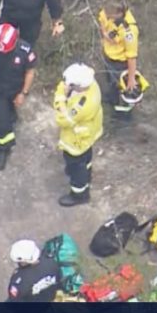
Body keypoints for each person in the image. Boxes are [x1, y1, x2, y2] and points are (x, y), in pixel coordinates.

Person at [0, 23, 37, 171]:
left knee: (9, 111)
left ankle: (10, 113)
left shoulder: (25, 50)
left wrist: (23, 93)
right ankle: (4, 148)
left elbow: (30, 72)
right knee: (2, 121)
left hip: (15, 88)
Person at [53, 63, 103, 207]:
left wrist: (60, 95)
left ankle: (79, 194)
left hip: (76, 141)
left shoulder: (82, 105)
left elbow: (63, 119)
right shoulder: (93, 85)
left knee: (76, 165)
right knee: (86, 159)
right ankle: (86, 174)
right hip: (88, 134)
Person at [98, 0, 140, 121]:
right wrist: (105, 35)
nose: (107, 16)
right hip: (108, 57)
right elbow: (102, 21)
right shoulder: (106, 11)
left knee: (121, 89)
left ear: (119, 13)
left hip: (120, 64)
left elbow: (131, 57)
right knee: (111, 84)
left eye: (110, 15)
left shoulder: (129, 32)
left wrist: (131, 79)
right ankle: (111, 100)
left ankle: (123, 118)